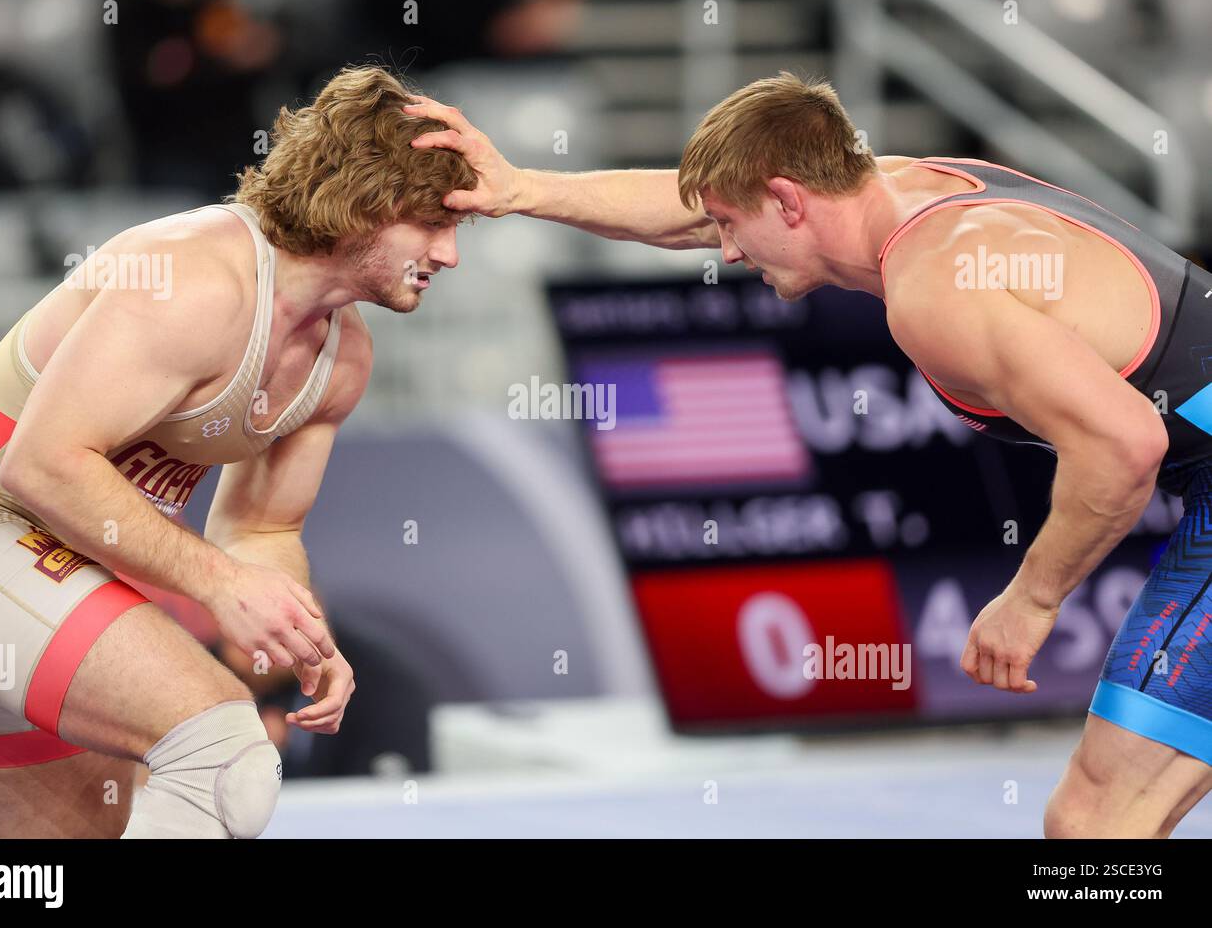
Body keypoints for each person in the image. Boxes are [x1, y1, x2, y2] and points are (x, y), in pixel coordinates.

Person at [403, 73, 1212, 838]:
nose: (722, 251)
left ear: (788, 201)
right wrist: (522, 191)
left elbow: (1123, 447)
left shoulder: (937, 289)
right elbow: (681, 209)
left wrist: (1032, 600)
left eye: (731, 227)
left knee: (1096, 825)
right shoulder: (911, 186)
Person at [0, 64, 473, 838]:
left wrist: (301, 642)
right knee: (223, 752)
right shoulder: (195, 278)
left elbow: (261, 532)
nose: (450, 255)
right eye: (435, 224)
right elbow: (40, 463)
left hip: (51, 569)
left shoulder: (342, 360)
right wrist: (219, 585)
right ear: (367, 204)